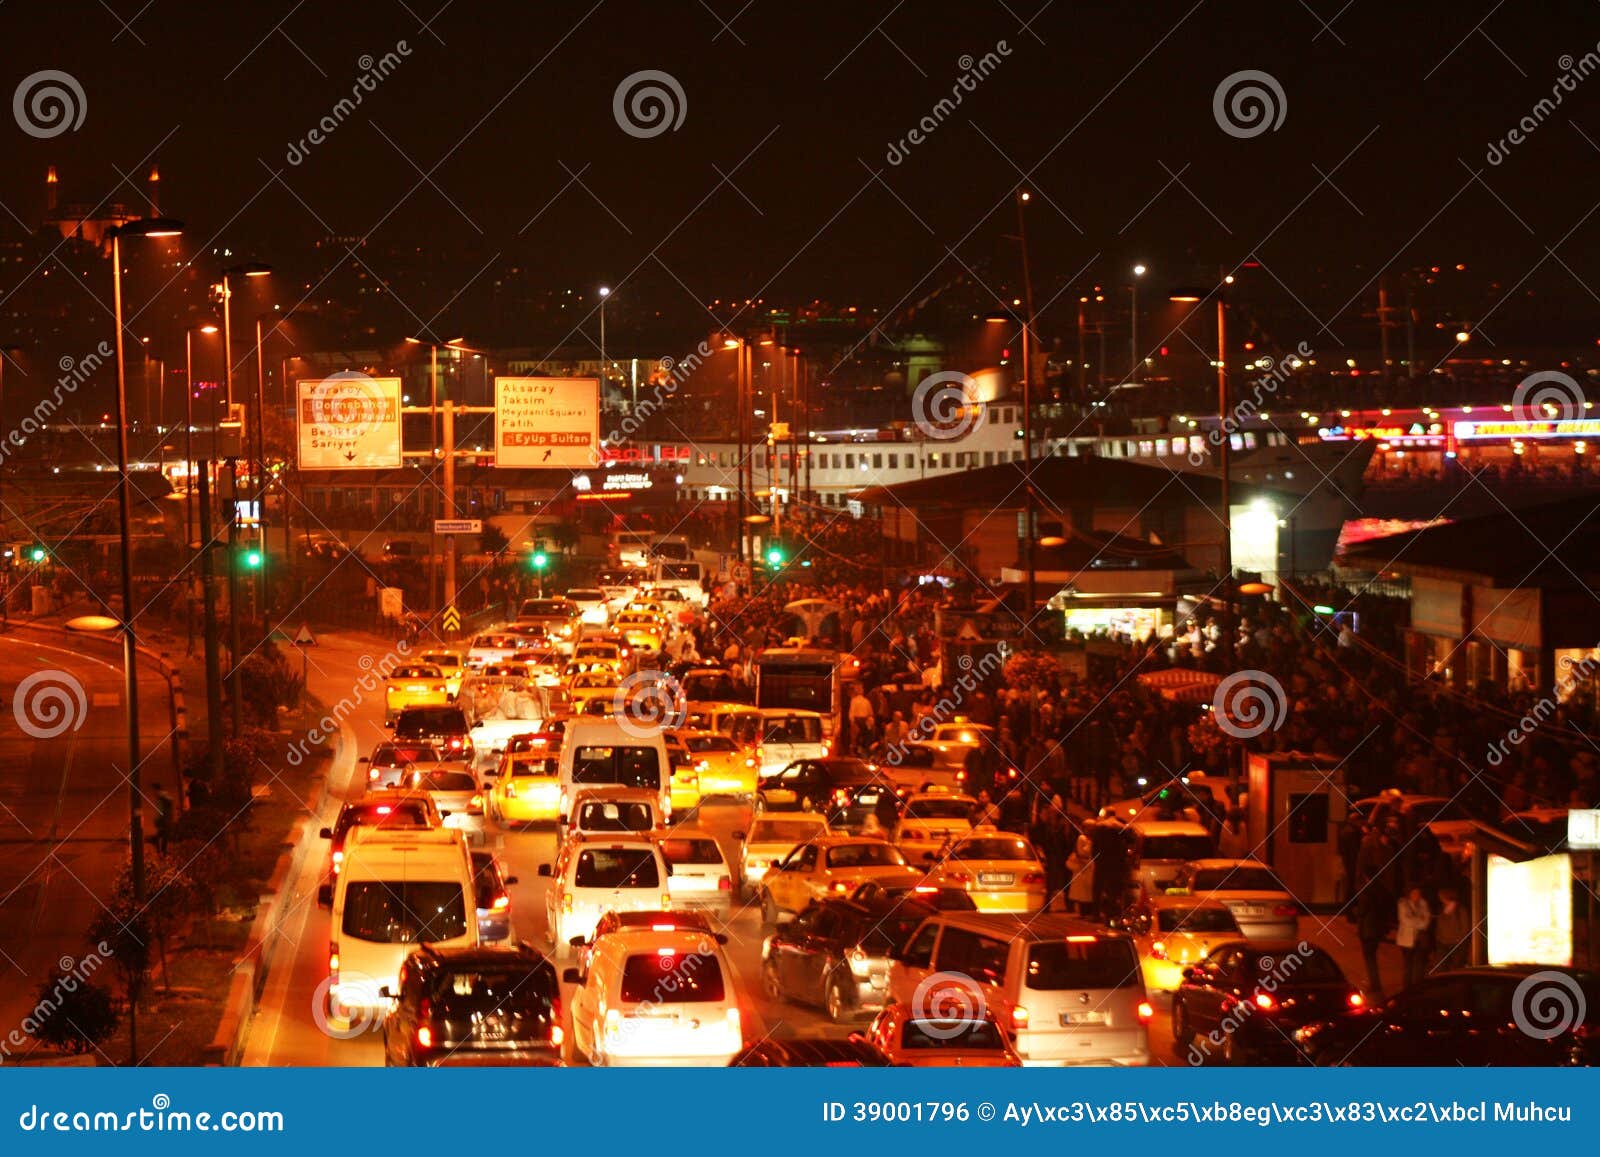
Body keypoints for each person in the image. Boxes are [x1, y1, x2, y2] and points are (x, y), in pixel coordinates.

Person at [1396, 886, 1433, 988]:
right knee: (1408, 965)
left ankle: (1417, 986)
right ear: (1409, 894)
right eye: (1414, 893)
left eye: (1418, 893)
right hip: (1406, 940)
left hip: (1420, 940)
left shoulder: (1423, 903)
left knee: (1419, 965)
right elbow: (1406, 920)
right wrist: (1421, 921)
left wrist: (1419, 921)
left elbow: (1427, 919)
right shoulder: (1403, 904)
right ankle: (1407, 987)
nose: (1417, 895)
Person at [1432, 887, 1470, 971]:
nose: (1440, 898)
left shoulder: (1460, 909)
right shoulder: (1441, 908)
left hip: (1456, 944)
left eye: (1441, 896)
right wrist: (1439, 938)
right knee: (1441, 967)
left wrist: (1459, 940)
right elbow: (1439, 925)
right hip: (1443, 943)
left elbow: (1465, 928)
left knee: (1457, 967)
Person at [152, 784, 175, 855]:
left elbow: (160, 810)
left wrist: (157, 819)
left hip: (163, 820)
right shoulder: (167, 797)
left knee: (161, 835)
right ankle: (163, 851)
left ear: (157, 790)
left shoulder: (160, 798)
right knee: (164, 835)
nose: (154, 793)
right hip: (167, 819)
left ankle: (161, 851)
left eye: (154, 791)